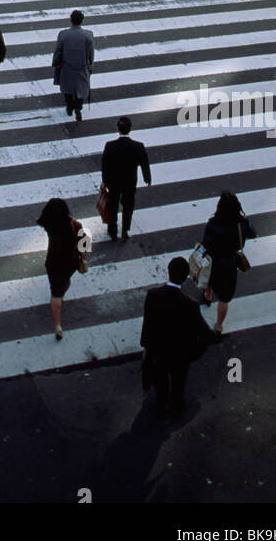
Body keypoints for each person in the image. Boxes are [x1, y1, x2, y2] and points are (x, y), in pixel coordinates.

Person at [141, 258, 221, 420]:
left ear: (169, 272)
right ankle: (176, 408)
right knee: (178, 384)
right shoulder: (190, 304)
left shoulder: (152, 295)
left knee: (160, 383)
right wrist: (214, 337)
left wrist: (146, 345)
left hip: (157, 351)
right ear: (185, 277)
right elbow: (203, 331)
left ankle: (160, 407)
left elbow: (148, 323)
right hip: (179, 355)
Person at [201, 191, 258, 335]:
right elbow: (253, 233)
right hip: (230, 264)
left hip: (214, 260)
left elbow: (206, 243)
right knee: (225, 298)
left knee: (210, 278)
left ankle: (207, 296)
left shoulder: (213, 223)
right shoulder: (242, 224)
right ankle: (219, 326)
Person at [37, 199, 85, 340]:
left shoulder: (49, 225)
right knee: (65, 281)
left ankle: (58, 325)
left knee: (55, 292)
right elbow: (85, 244)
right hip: (70, 263)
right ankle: (61, 296)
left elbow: (42, 218)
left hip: (53, 263)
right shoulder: (75, 225)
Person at [101, 116, 151, 242]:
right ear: (130, 129)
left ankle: (112, 230)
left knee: (113, 205)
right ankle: (125, 230)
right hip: (129, 181)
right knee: (128, 206)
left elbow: (105, 166)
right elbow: (144, 164)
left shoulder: (110, 146)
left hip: (114, 182)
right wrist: (147, 179)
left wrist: (104, 181)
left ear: (118, 129)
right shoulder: (138, 146)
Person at [52, 10, 94, 121]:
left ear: (71, 20)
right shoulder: (88, 35)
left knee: (68, 88)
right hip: (82, 66)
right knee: (81, 87)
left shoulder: (63, 34)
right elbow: (90, 54)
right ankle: (78, 108)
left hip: (67, 66)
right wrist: (90, 65)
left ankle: (69, 107)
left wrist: (56, 63)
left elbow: (58, 51)